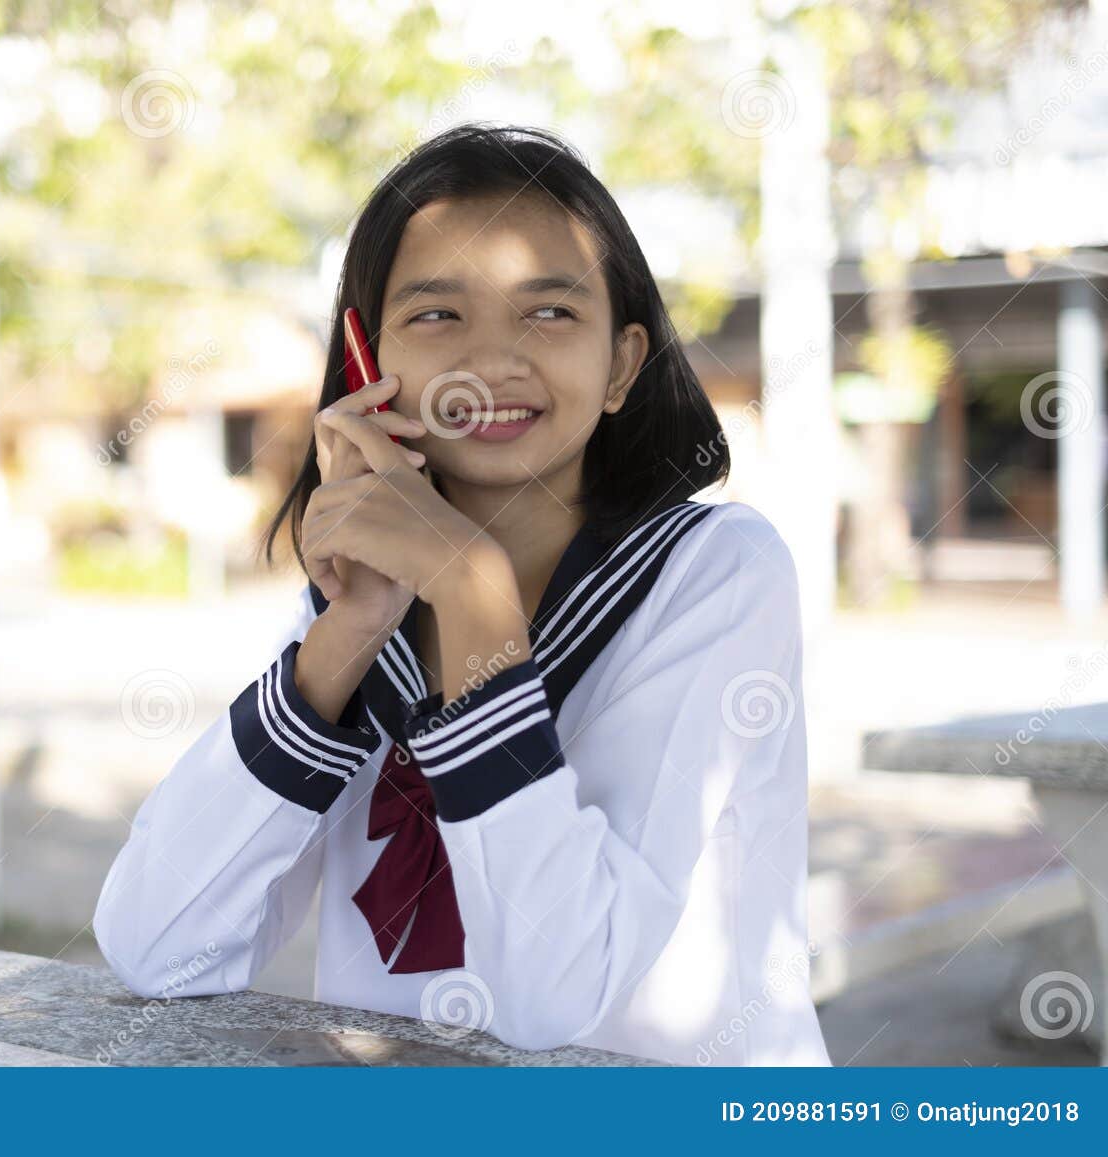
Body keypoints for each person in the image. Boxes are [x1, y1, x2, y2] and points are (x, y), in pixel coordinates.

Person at [93, 123, 832, 1066]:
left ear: (620, 364)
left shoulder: (716, 571)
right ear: (365, 361)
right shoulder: (360, 606)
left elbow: (556, 994)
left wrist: (475, 599)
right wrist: (346, 636)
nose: (493, 359)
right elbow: (157, 946)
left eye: (550, 313)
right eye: (438, 315)